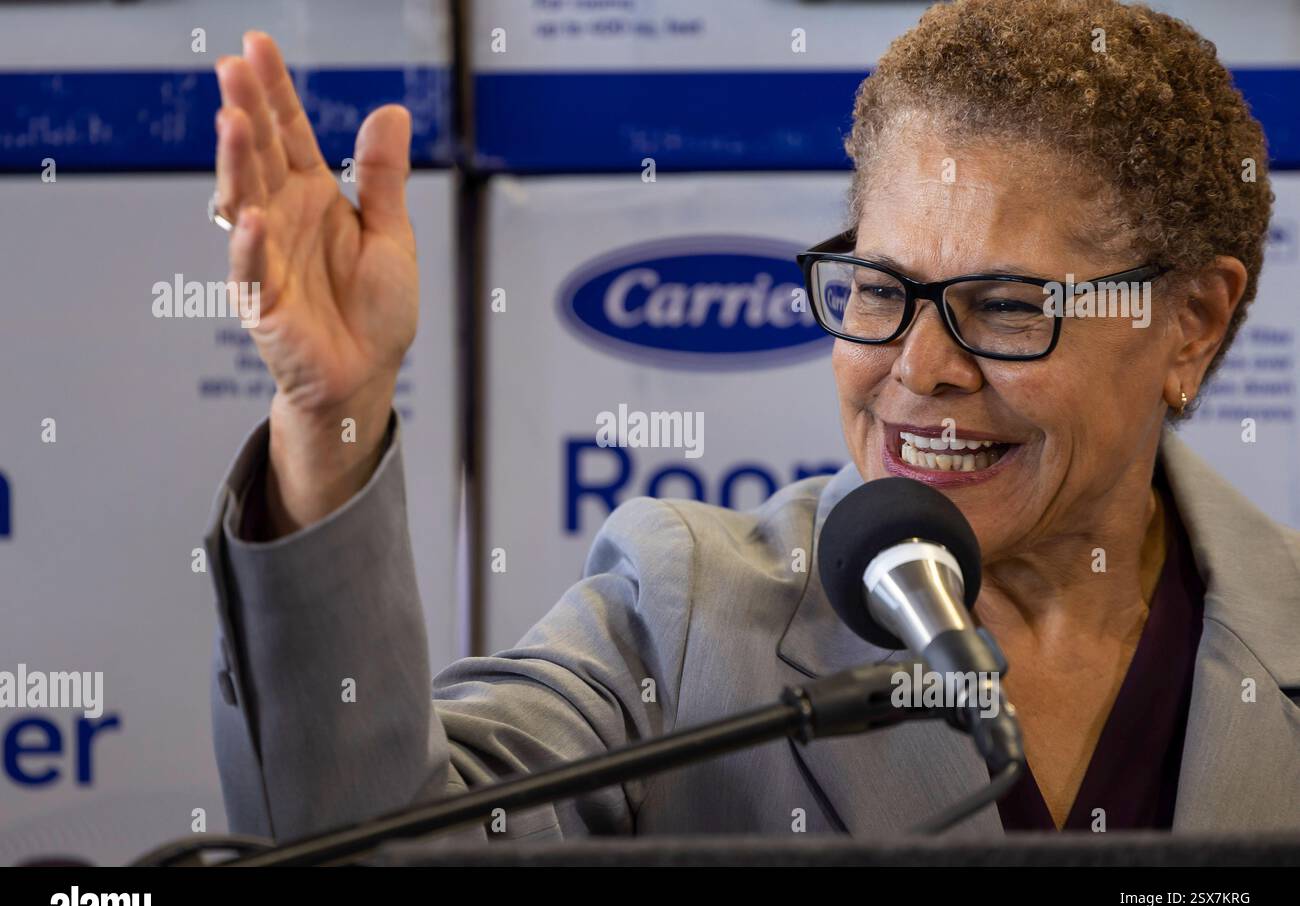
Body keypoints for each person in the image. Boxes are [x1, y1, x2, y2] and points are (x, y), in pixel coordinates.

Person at [205, 0, 1299, 845]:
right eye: (879, 288)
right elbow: (370, 845)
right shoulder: (685, 615)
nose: (919, 369)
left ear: (1189, 325)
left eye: (1006, 306)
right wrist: (330, 418)